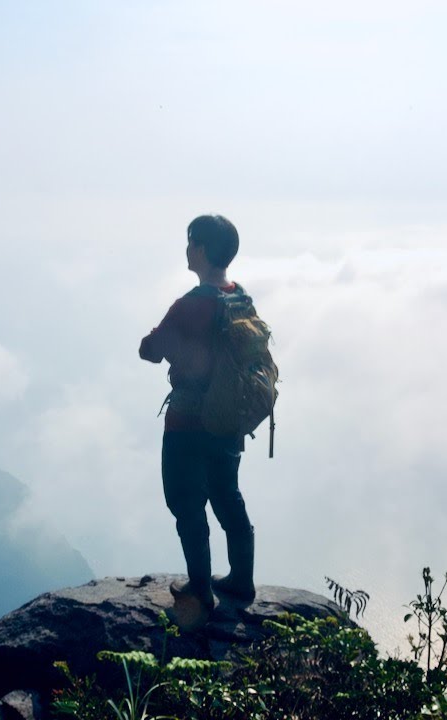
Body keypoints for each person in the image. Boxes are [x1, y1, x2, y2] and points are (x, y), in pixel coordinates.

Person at [139, 214, 257, 612]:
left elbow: (151, 350)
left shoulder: (191, 305)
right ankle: (241, 580)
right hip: (228, 421)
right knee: (227, 495)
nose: (187, 250)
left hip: (189, 423)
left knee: (187, 503)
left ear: (202, 249)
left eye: (191, 242)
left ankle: (200, 590)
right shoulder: (240, 296)